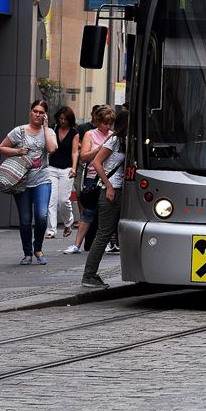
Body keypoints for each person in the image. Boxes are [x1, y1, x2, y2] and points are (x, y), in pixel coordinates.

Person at [0, 100, 58, 265]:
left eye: (41, 112)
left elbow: (52, 149)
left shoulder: (49, 132)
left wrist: (45, 128)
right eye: (35, 111)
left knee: (42, 215)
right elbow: (2, 147)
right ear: (30, 112)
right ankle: (27, 253)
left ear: (45, 115)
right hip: (22, 180)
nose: (38, 114)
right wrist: (17, 151)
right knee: (25, 219)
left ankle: (38, 249)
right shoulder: (19, 131)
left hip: (42, 179)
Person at [81, 109, 129, 288]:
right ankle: (89, 275)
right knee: (103, 234)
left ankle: (90, 275)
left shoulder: (123, 140)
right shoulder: (114, 140)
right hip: (110, 191)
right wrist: (108, 186)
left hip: (118, 190)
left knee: (109, 232)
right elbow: (96, 162)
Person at [65, 105, 114, 254]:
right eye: (105, 123)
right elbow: (84, 157)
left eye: (110, 123)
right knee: (89, 211)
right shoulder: (90, 134)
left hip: (110, 177)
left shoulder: (113, 135)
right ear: (98, 121)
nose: (108, 126)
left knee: (106, 212)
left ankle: (105, 243)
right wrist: (99, 149)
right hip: (93, 177)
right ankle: (77, 244)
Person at [46, 106, 79, 240]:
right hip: (52, 168)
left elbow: (75, 152)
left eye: (65, 119)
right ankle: (51, 230)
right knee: (51, 200)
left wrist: (74, 168)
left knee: (63, 200)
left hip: (67, 169)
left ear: (70, 120)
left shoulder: (74, 133)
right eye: (60, 118)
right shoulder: (53, 129)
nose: (62, 121)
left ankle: (68, 221)